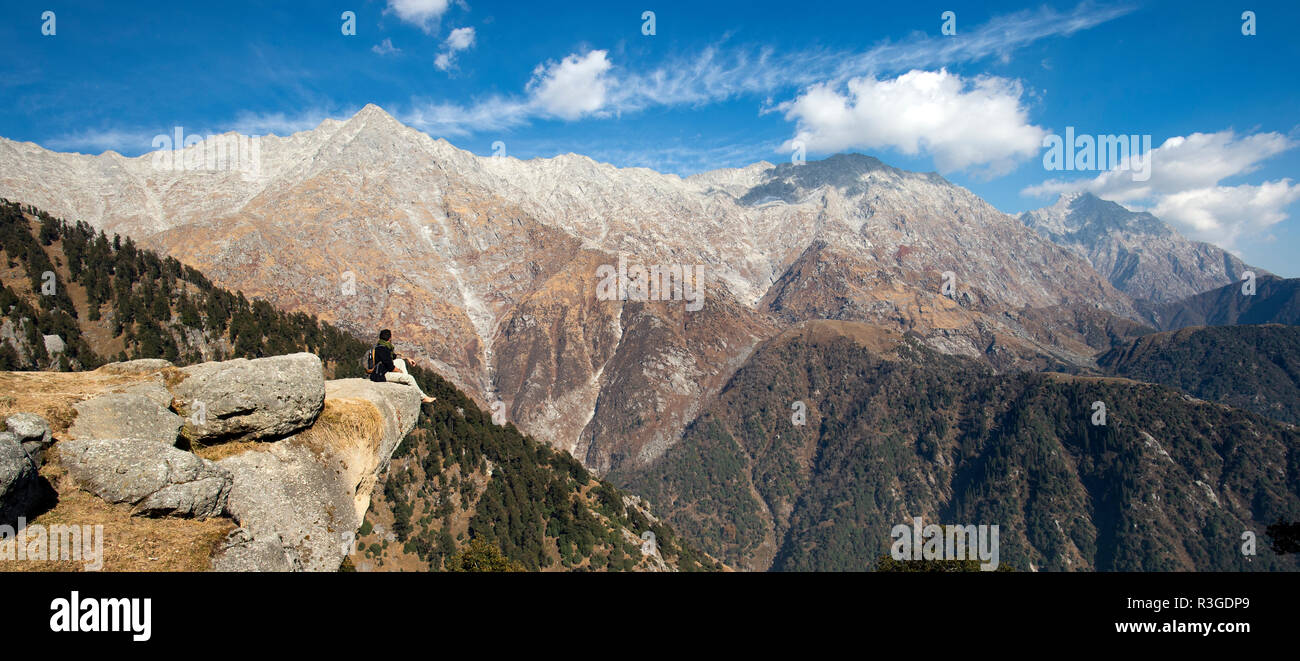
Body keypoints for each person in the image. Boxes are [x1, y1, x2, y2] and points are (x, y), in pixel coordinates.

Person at [370, 329, 436, 403]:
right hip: (381, 375)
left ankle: (405, 383)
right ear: (390, 338)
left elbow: (393, 357)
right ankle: (422, 397)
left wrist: (407, 359)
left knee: (401, 362)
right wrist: (399, 371)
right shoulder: (384, 350)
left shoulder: (379, 346)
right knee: (410, 378)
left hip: (378, 371)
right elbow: (391, 367)